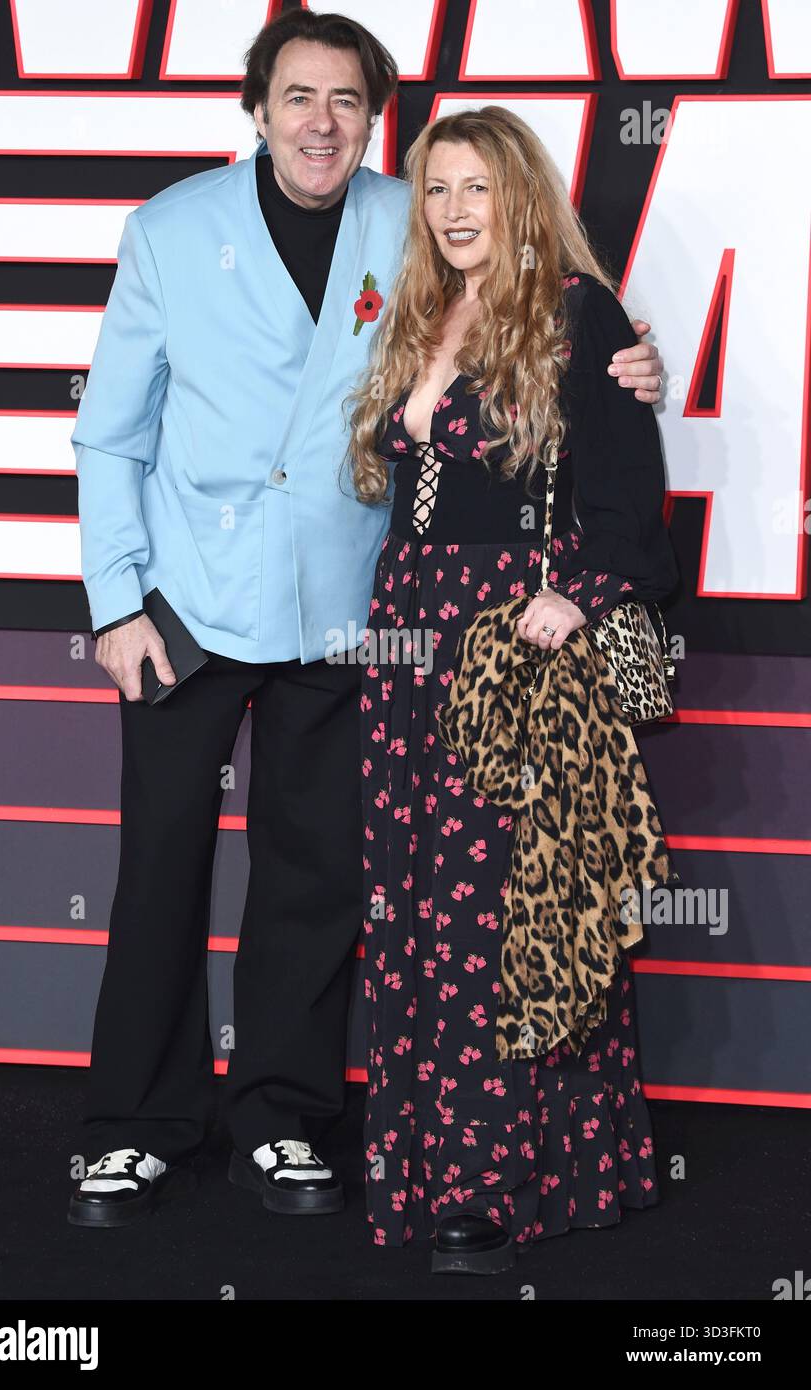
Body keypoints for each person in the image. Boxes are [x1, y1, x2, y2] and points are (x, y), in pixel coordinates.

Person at [66, 9, 665, 1228]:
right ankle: (137, 1124)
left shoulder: (417, 215)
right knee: (160, 865)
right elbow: (110, 430)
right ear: (258, 106)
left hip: (350, 612)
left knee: (318, 876)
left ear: (372, 115)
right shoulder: (171, 230)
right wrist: (120, 599)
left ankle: (283, 1116)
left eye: (347, 101)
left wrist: (629, 354)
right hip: (188, 601)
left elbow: (537, 302)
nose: (322, 123)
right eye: (298, 97)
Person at [346, 105, 679, 1272]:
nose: (452, 211)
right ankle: (425, 1162)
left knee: (506, 914)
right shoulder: (421, 314)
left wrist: (577, 592)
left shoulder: (581, 317)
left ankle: (500, 1183)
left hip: (510, 653)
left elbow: (636, 501)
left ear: (521, 194)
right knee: (417, 908)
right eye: (436, 190)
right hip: (407, 642)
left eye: (476, 188)